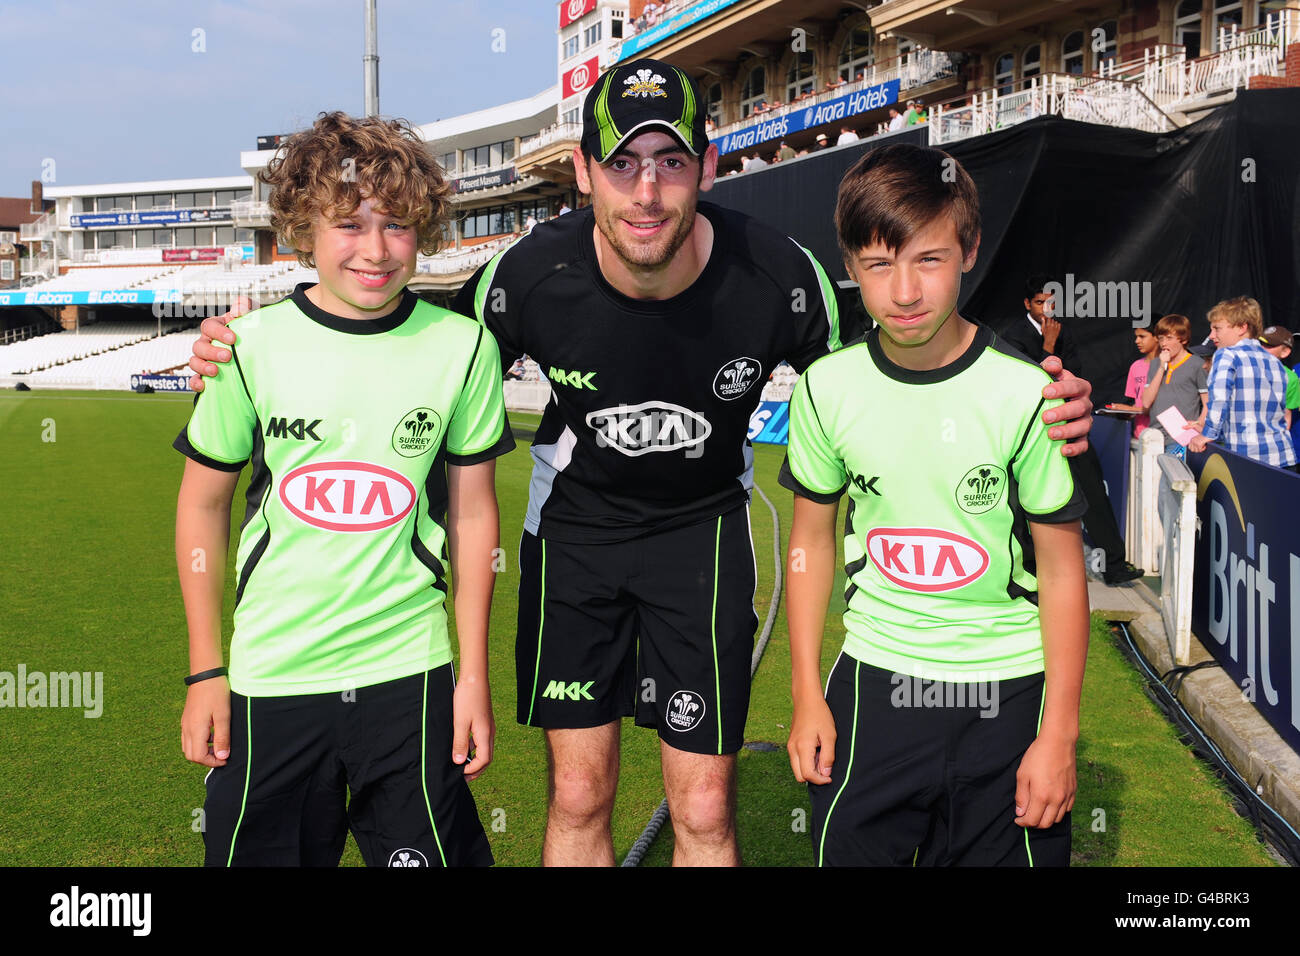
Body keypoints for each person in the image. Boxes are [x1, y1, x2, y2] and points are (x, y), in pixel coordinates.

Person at [187, 57, 1096, 867]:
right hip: (571, 538)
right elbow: (391, 344)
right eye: (622, 163)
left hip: (701, 538)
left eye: (669, 163)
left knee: (702, 800)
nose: (647, 192)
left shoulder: (780, 275)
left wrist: (1036, 375)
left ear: (705, 164)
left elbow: (907, 347)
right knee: (579, 794)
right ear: (584, 173)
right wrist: (237, 342)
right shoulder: (522, 276)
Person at [175, 111, 510, 867]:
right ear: (303, 229)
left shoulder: (462, 348)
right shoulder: (245, 348)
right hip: (272, 680)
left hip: (411, 675)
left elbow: (474, 514)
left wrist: (472, 678)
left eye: (395, 225)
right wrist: (206, 669)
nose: (376, 249)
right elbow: (203, 507)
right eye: (349, 224)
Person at [783, 143, 1088, 866]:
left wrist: (1058, 735)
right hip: (873, 686)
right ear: (850, 267)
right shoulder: (826, 389)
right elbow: (810, 544)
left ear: (970, 251)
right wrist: (805, 692)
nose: (905, 291)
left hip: (1007, 693)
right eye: (879, 264)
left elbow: (1064, 572)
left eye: (929, 259)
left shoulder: (1028, 395)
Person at [1002, 276, 1144, 584]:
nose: (1047, 309)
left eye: (1052, 302)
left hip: (1067, 425)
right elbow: (1025, 380)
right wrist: (1049, 348)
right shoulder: (1014, 335)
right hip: (1028, 431)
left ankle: (1115, 565)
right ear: (1028, 304)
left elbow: (1075, 373)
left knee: (1093, 491)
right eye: (1040, 302)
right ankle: (1028, 568)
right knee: (1024, 499)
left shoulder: (1064, 332)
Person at [1190, 298, 1297, 471]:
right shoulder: (1274, 361)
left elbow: (1219, 400)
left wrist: (1206, 434)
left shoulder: (1226, 355)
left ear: (1242, 327)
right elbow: (1274, 412)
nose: (1211, 336)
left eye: (1217, 328)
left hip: (1249, 458)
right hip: (1283, 457)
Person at [1136, 313, 1207, 457]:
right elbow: (1146, 401)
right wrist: (1162, 367)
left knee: (1176, 478)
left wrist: (1200, 425)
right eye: (1161, 338)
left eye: (1169, 338)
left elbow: (1208, 402)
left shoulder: (1197, 364)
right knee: (1151, 479)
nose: (1164, 344)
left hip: (1182, 438)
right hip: (1155, 436)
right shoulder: (1156, 363)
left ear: (1184, 339)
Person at [1112, 325, 1159, 434]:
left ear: (1157, 337)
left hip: (1164, 436)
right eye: (1136, 337)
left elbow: (1166, 407)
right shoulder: (1135, 366)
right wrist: (1125, 412)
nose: (1137, 341)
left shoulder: (1168, 366)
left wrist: (1130, 409)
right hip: (1140, 434)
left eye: (1142, 336)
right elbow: (1137, 403)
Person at [1259, 325, 1299, 430]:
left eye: (1269, 345)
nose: (1262, 348)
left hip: (1274, 440)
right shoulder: (1244, 367)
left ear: (1285, 352)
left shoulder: (1290, 377)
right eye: (1261, 343)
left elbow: (1286, 415)